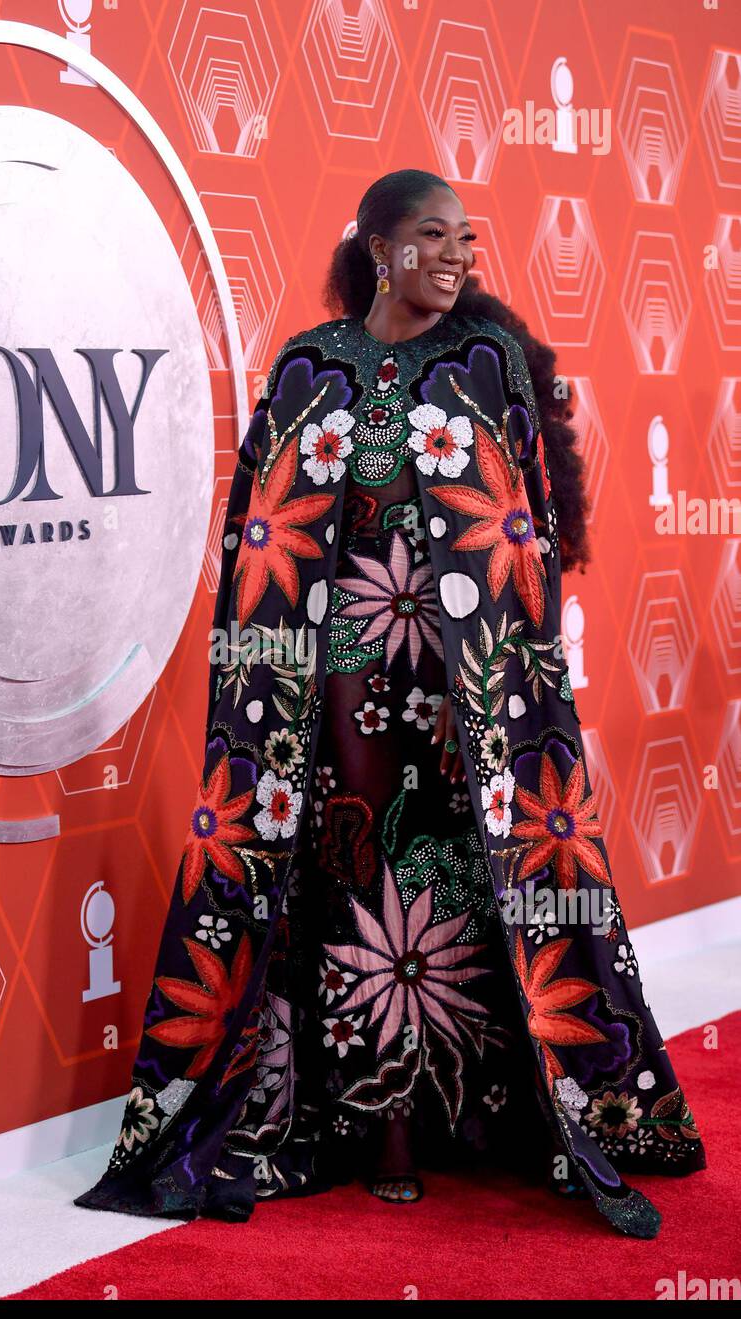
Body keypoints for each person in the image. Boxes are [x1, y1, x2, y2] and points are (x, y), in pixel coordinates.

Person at [74, 169, 706, 1238]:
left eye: (467, 237)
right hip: (342, 686)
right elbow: (257, 537)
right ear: (378, 245)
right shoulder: (308, 366)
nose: (458, 254)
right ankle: (381, 1128)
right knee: (361, 885)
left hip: (469, 691)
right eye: (433, 235)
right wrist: (274, 691)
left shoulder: (488, 361)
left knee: (468, 883)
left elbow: (528, 533)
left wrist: (518, 687)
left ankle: (488, 1112)